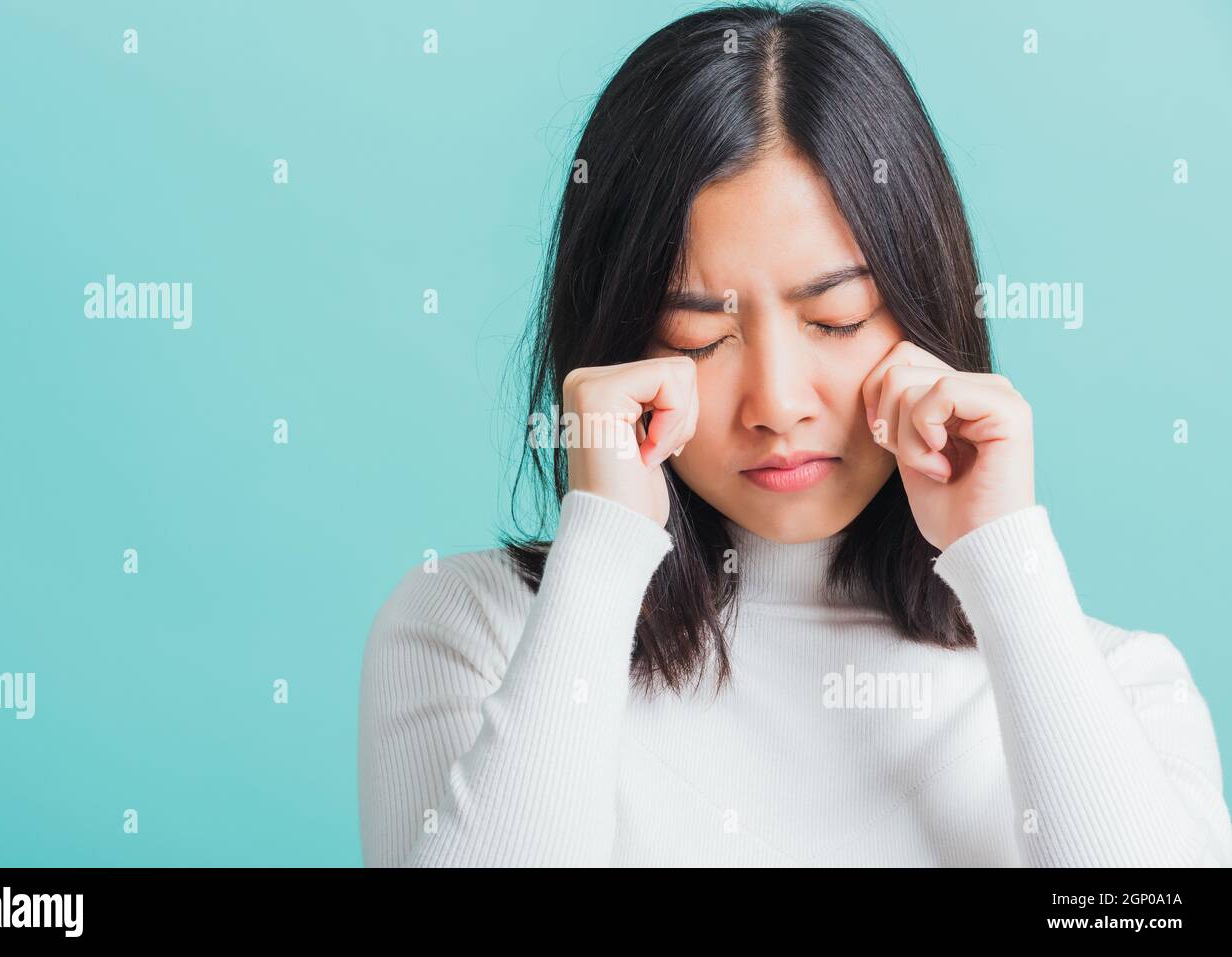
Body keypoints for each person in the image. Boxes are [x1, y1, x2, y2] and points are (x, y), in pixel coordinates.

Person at [358, 1, 1232, 867]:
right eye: (700, 336)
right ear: (619, 340)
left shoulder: (1121, 684)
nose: (777, 402)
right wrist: (604, 545)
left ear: (924, 314)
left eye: (838, 318)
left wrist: (1004, 557)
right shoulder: (473, 633)